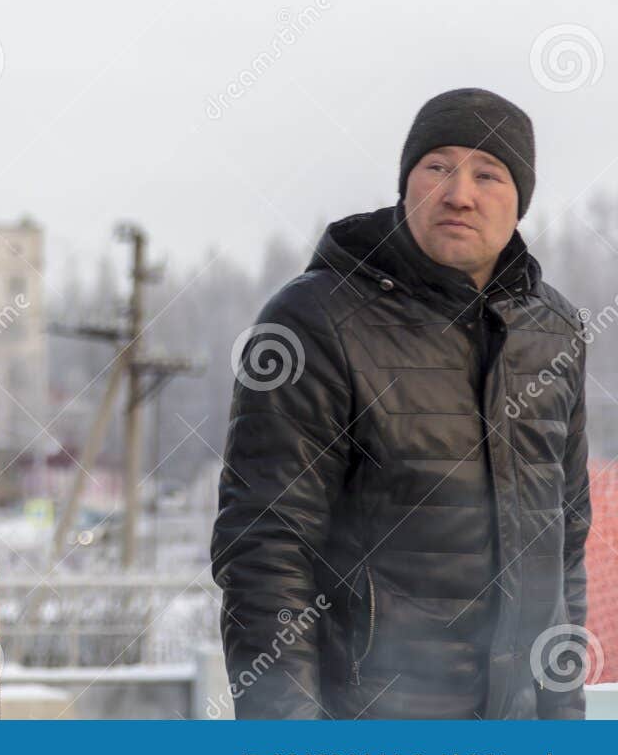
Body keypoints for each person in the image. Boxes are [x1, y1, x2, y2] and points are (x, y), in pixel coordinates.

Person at [211, 87, 591, 718]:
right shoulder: (315, 321)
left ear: (519, 203)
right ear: (406, 184)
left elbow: (566, 540)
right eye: (437, 166)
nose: (459, 193)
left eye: (489, 174)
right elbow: (266, 550)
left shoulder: (556, 332)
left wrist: (563, 719)